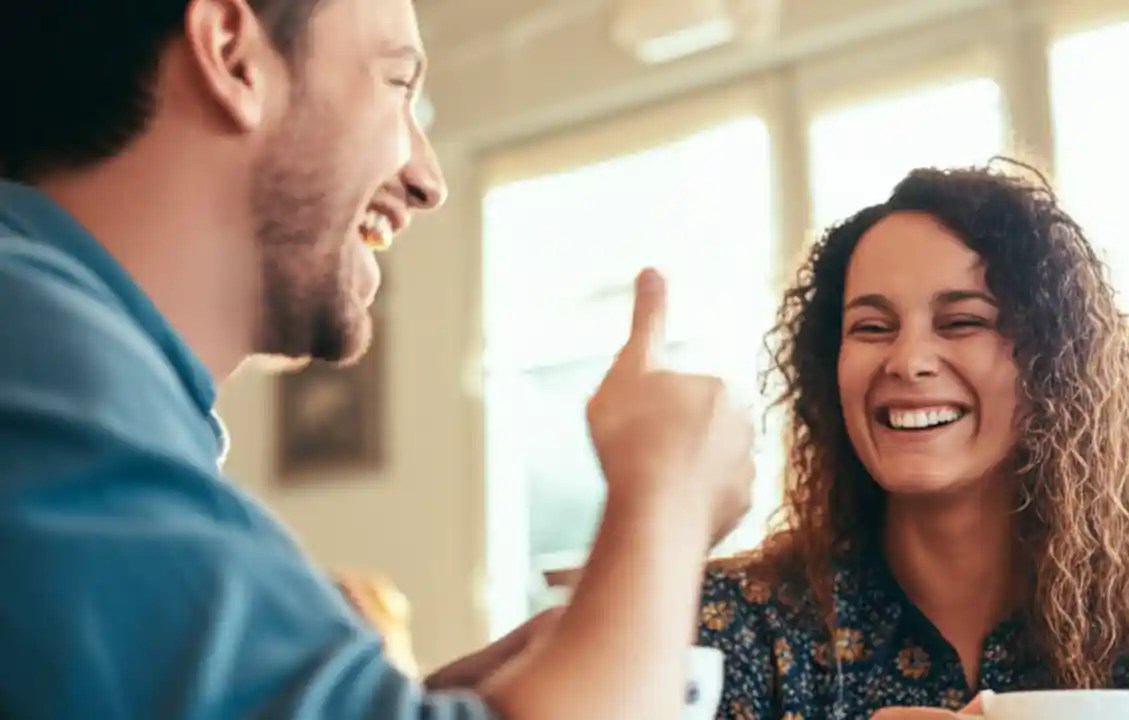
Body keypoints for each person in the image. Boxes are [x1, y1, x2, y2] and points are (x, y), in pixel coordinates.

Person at [0, 0, 755, 718]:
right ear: (233, 57)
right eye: (399, 86)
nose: (429, 180)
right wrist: (668, 494)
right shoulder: (29, 344)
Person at [696, 163, 1129, 720]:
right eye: (872, 328)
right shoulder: (740, 620)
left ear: (1053, 364)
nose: (908, 360)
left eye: (963, 322)